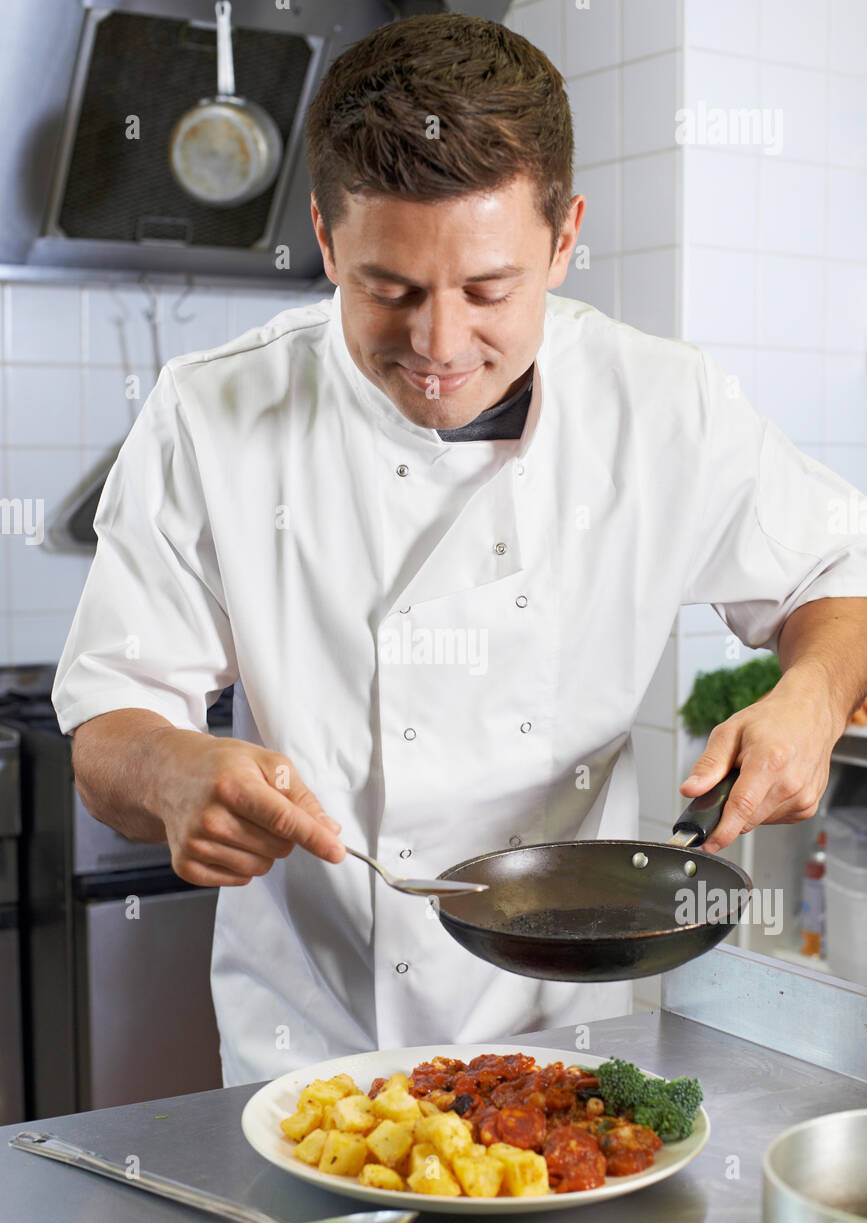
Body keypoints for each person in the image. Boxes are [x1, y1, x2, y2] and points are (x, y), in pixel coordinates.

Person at [53, 15, 867, 1085]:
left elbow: (838, 576)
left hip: (573, 1033)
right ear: (328, 238)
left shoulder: (662, 404)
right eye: (389, 289)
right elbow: (107, 731)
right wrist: (172, 769)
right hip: (311, 1055)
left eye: (490, 290)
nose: (439, 347)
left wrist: (813, 695)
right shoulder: (210, 413)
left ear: (566, 237)